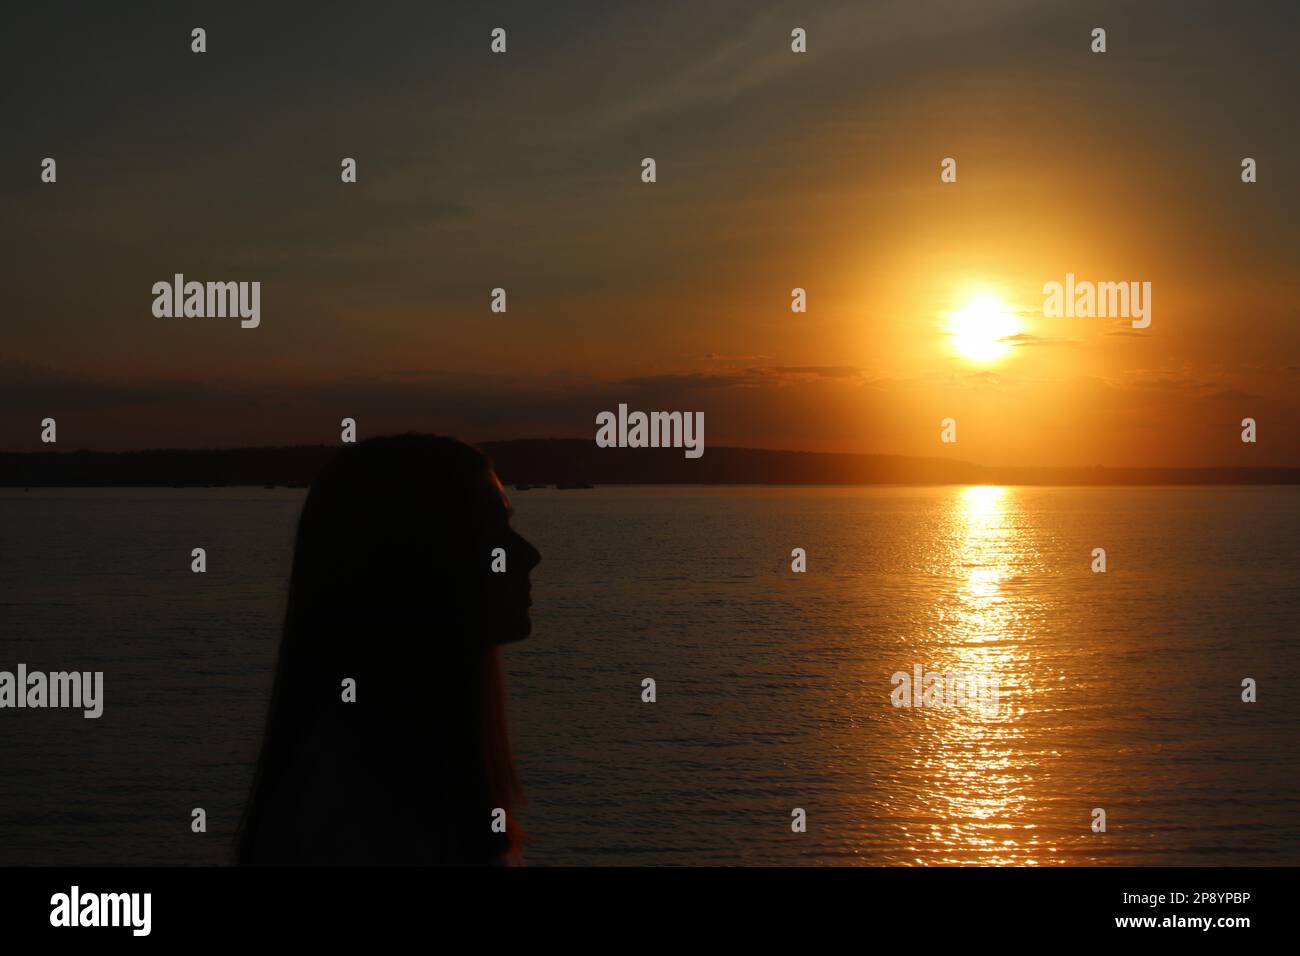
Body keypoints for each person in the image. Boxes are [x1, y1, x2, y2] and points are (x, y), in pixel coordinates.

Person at [237, 435, 541, 865]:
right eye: (492, 533)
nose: (529, 554)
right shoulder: (357, 815)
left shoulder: (359, 783)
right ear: (415, 560)